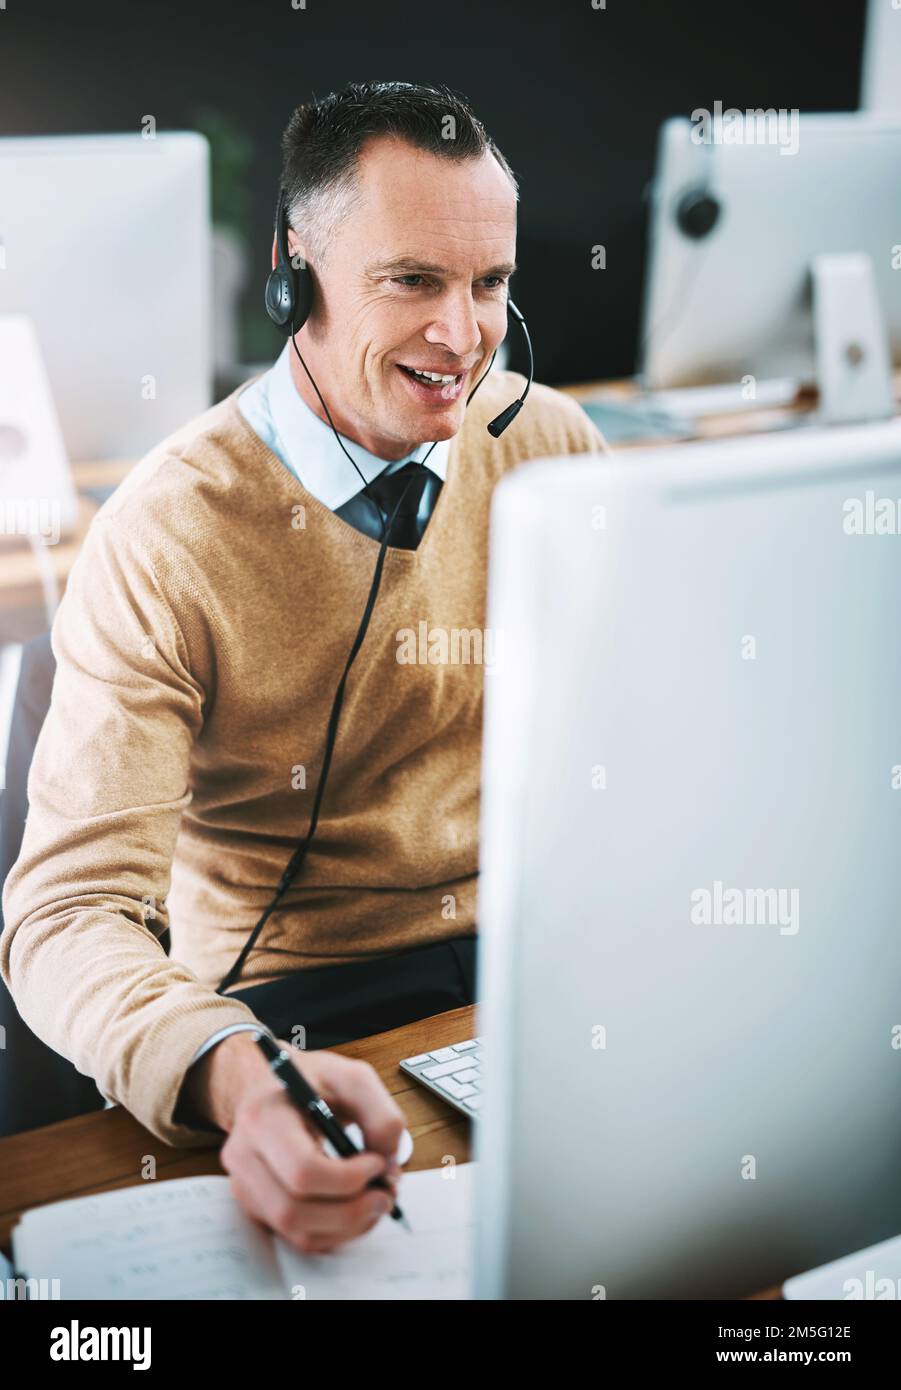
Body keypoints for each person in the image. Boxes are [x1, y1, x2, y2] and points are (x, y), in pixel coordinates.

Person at [1, 80, 608, 1255]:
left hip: (520, 968)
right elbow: (64, 912)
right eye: (413, 280)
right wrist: (234, 1072)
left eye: (490, 285)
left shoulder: (547, 446)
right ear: (295, 275)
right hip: (285, 1000)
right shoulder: (172, 531)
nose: (464, 335)